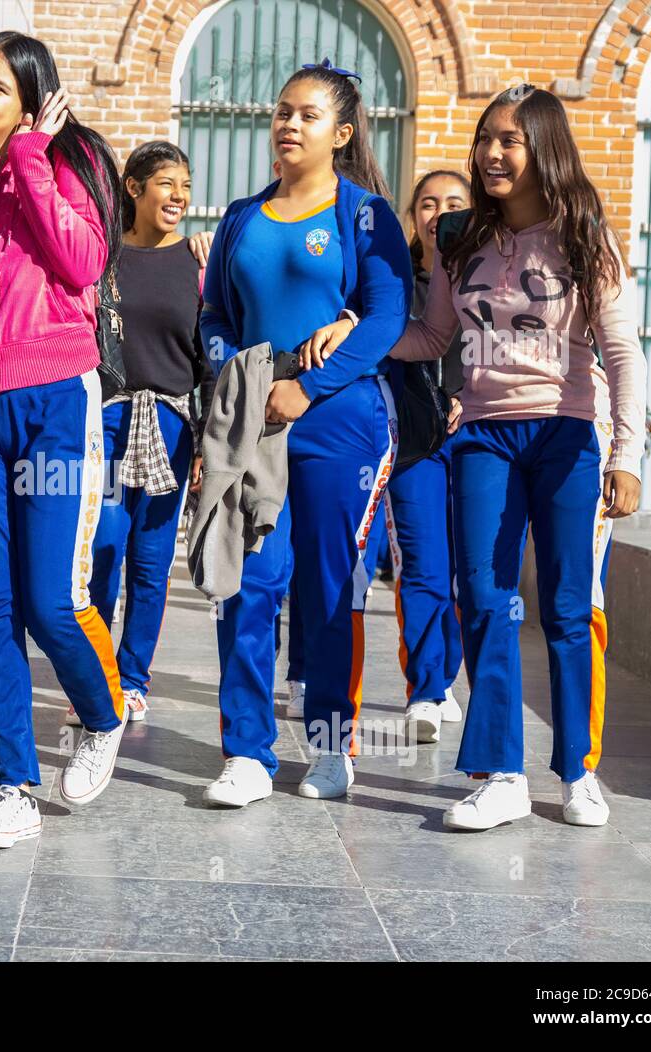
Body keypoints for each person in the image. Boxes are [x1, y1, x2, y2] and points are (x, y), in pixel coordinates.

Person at [315, 86, 647, 830]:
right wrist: (356, 333)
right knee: (487, 599)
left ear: (544, 150)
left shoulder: (585, 230)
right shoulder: (460, 235)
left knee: (565, 606)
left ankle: (577, 772)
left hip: (566, 432)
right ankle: (500, 773)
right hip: (484, 436)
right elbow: (432, 338)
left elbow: (621, 349)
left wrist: (627, 455)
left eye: (510, 142)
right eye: (486, 140)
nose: (492, 154)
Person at [0, 31, 126, 847]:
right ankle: (14, 790)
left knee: (48, 600)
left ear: (33, 100)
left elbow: (80, 260)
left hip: (53, 399)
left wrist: (29, 156)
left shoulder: (73, 160)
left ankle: (101, 715)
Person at [199, 58, 412, 807]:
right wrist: (240, 372)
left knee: (327, 588)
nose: (288, 124)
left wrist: (308, 386)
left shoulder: (365, 216)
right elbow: (215, 318)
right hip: (254, 419)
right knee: (248, 581)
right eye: (282, 111)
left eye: (308, 115)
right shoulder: (239, 217)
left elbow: (387, 316)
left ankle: (329, 745)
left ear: (342, 133)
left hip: (341, 424)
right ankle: (248, 752)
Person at [65, 140, 206, 725]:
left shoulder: (199, 263)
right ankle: (97, 676)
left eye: (186, 187)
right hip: (106, 417)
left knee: (151, 561)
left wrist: (207, 444)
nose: (178, 196)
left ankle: (134, 677)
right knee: (100, 549)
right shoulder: (102, 257)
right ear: (133, 188)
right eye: (167, 183)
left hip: (171, 426)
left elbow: (209, 355)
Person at [385, 170, 470, 744]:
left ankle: (448, 674)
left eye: (454, 204)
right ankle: (426, 690)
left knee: (471, 573)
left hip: (480, 439)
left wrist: (469, 395)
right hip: (416, 443)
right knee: (422, 565)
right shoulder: (394, 280)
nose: (439, 213)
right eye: (428, 203)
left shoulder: (488, 275)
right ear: (414, 215)